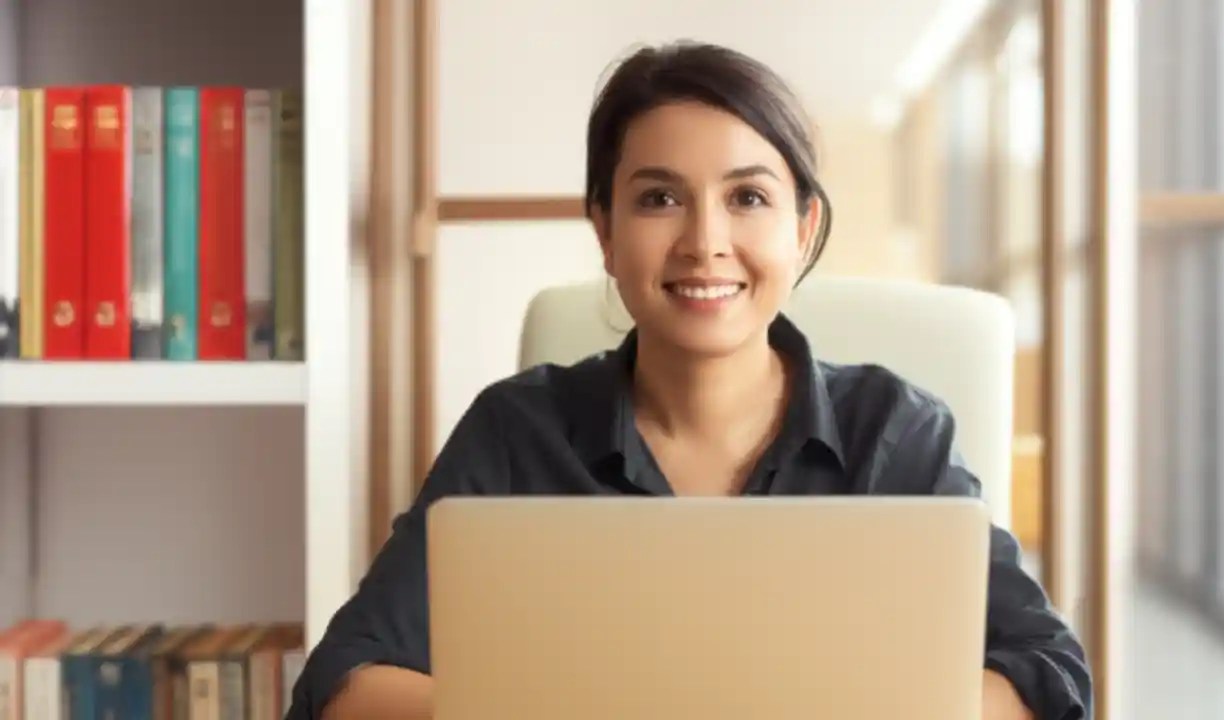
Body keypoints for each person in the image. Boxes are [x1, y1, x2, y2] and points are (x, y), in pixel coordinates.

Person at [286, 41, 1092, 720]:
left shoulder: (895, 430)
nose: (705, 242)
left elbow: (1049, 676)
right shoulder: (516, 430)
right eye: (660, 198)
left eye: (747, 197)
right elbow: (343, 682)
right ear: (603, 230)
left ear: (803, 229)